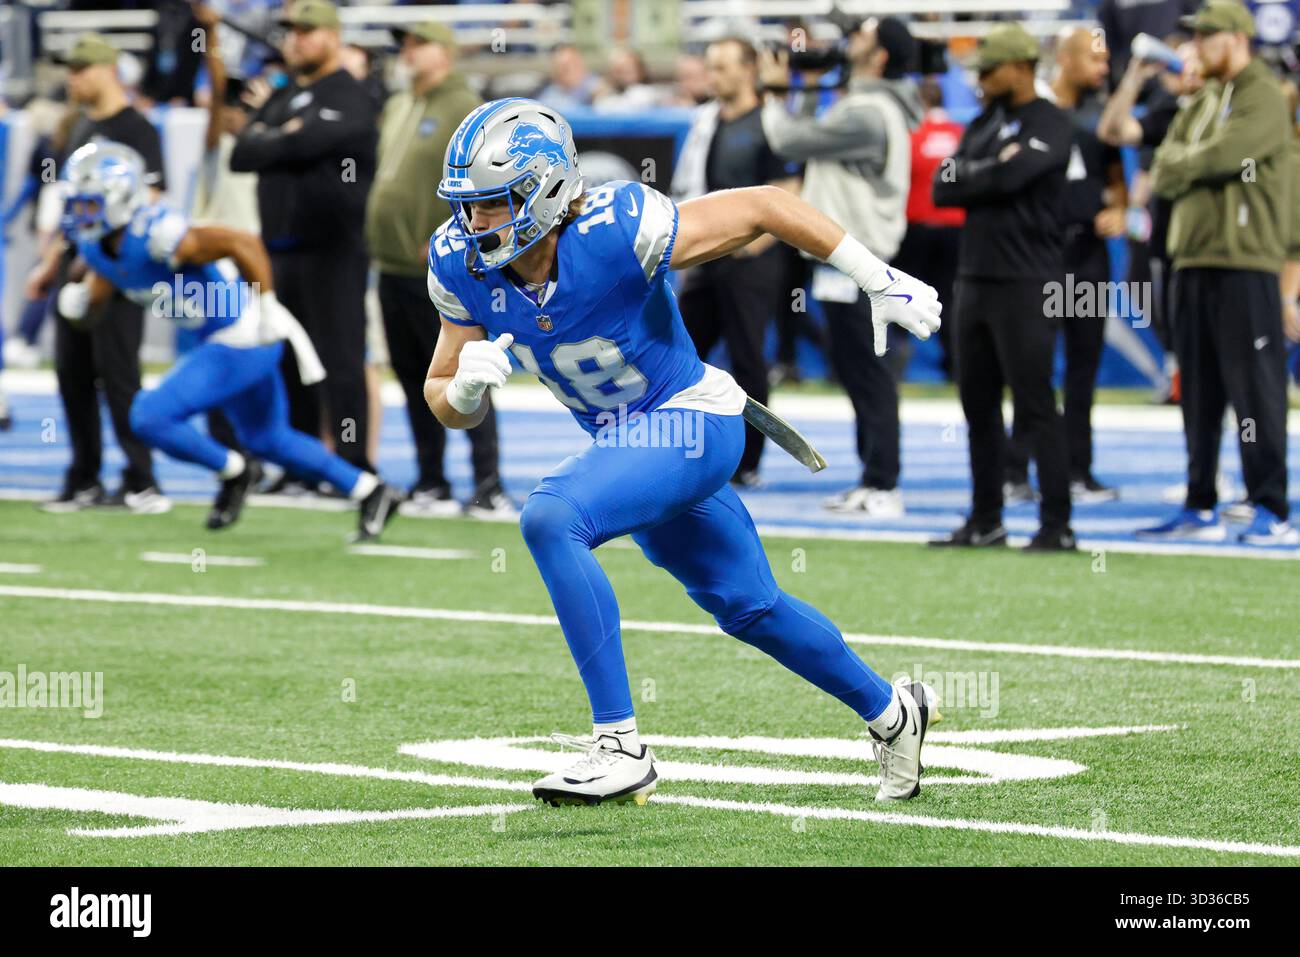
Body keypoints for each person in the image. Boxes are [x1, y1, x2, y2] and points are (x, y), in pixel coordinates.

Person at [423, 99, 942, 806]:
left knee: (551, 517)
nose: (474, 224)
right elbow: (441, 394)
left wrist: (874, 275)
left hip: (692, 419)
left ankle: (619, 745)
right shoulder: (460, 263)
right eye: (469, 207)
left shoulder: (615, 229)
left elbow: (765, 204)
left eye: (493, 205)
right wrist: (468, 394)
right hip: (630, 444)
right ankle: (893, 711)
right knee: (748, 605)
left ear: (545, 189)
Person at [57, 141, 402, 539]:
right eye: (77, 204)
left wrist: (267, 302)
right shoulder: (96, 250)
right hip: (222, 338)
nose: (80, 213)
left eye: (88, 204)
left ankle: (236, 471)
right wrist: (79, 307)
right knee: (269, 438)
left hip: (242, 334)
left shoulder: (158, 233)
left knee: (148, 415)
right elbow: (95, 307)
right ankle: (371, 490)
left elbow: (243, 242)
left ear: (117, 199)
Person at [1139, 1, 1295, 545]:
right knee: (1199, 394)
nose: (1197, 46)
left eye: (1207, 36)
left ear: (1237, 37)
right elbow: (1162, 167)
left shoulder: (1264, 96)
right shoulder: (1204, 97)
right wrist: (1187, 163)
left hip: (1244, 263)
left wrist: (1187, 163)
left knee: (1257, 393)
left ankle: (1270, 505)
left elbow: (1221, 158)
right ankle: (1200, 501)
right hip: (1194, 263)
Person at [759, 17, 923, 517]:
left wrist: (774, 90)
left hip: (863, 265)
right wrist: (807, 87)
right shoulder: (865, 105)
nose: (848, 45)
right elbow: (807, 140)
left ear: (880, 58)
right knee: (856, 374)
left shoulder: (871, 113)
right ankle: (872, 477)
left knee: (871, 376)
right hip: (845, 267)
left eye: (861, 39)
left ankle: (884, 483)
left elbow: (789, 141)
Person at [930, 23, 1077, 551]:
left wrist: (977, 174)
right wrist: (989, 169)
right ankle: (985, 518)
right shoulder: (984, 123)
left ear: (1020, 67)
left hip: (1026, 282)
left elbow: (1015, 178)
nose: (982, 79)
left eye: (990, 69)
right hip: (974, 280)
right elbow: (941, 187)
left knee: (1036, 404)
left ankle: (1056, 524)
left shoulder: (1051, 121)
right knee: (978, 405)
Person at [365, 21, 512, 518]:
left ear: (444, 51)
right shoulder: (399, 102)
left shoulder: (461, 105)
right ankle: (432, 478)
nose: (407, 52)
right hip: (391, 262)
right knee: (415, 376)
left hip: (444, 267)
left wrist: (450, 235)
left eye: (418, 43)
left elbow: (480, 182)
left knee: (466, 370)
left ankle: (487, 483)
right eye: (403, 44)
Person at [230, 0, 379, 487]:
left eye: (307, 32)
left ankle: (352, 465)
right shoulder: (284, 94)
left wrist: (276, 138)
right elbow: (241, 152)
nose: (295, 40)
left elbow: (301, 144)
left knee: (339, 361)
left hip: (333, 248)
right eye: (291, 32)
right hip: (280, 250)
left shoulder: (350, 94)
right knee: (291, 361)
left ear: (333, 38)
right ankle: (302, 464)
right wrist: (282, 136)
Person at [25, 32, 166, 514]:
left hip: (119, 271)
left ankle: (140, 479)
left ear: (108, 71)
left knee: (120, 373)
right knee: (73, 373)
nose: (73, 78)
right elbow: (72, 210)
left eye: (81, 69)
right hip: (74, 264)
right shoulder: (79, 127)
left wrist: (114, 258)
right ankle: (83, 477)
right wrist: (49, 265)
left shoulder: (138, 129)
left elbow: (152, 200)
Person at [1004, 27, 1127, 505]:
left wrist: (1117, 207)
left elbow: (1114, 181)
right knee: (1029, 367)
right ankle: (1015, 470)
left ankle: (1078, 470)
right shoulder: (1031, 112)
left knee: (1083, 369)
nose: (1102, 68)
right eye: (1094, 59)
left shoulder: (1102, 117)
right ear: (1065, 58)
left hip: (1087, 257)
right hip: (1039, 256)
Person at [672, 37, 793, 486]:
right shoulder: (707, 121)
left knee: (747, 358)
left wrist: (753, 245)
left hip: (749, 259)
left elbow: (789, 189)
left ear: (748, 70)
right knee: (680, 353)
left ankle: (748, 462)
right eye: (710, 65)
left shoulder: (771, 122)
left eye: (723, 66)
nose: (714, 75)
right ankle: (674, 449)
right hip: (708, 255)